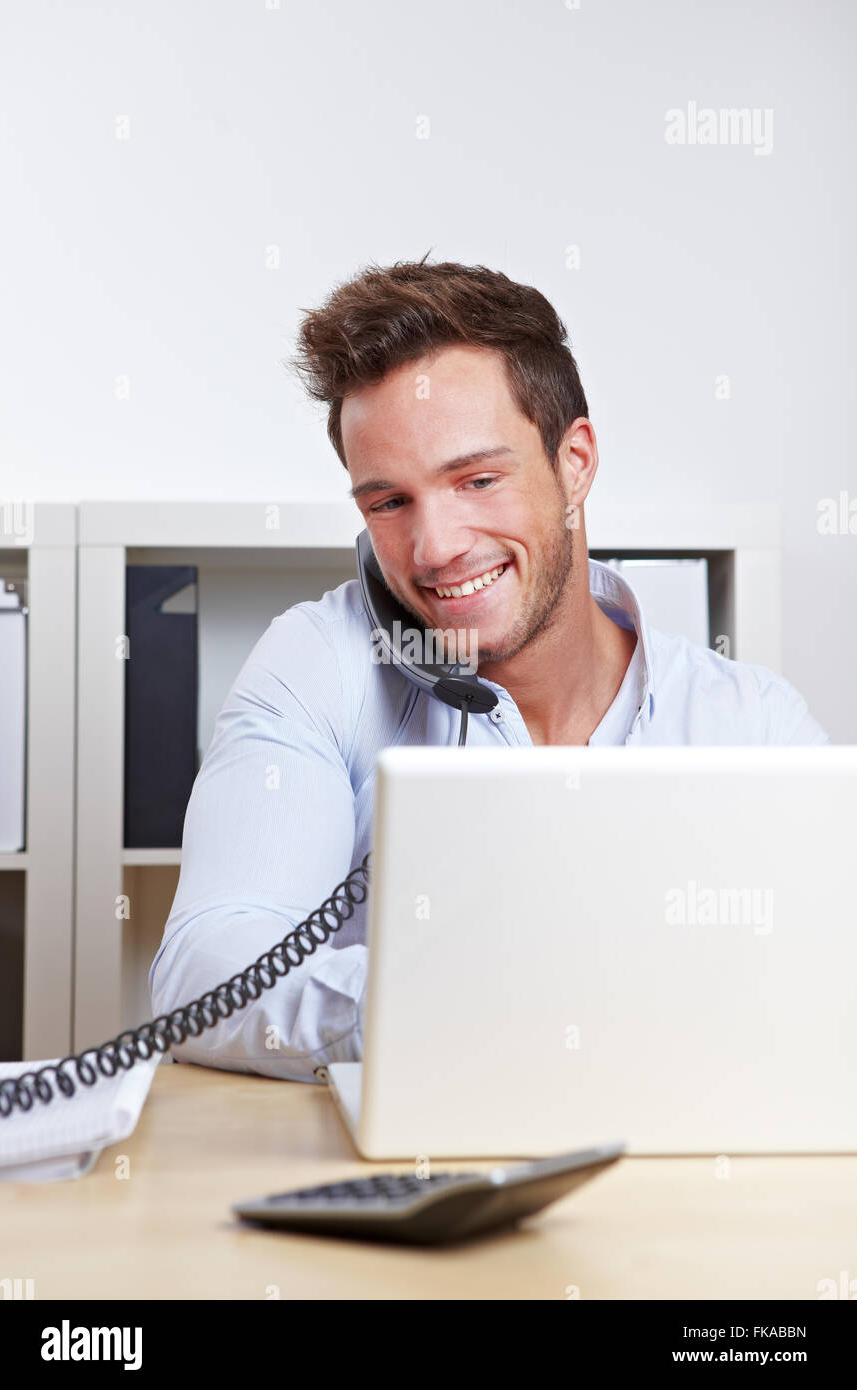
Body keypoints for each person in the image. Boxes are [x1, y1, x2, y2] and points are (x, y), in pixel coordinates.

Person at [149, 255, 829, 1083]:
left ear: (574, 462)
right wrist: (491, 994)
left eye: (476, 479)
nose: (434, 550)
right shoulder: (316, 665)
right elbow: (202, 983)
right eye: (388, 502)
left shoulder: (753, 728)